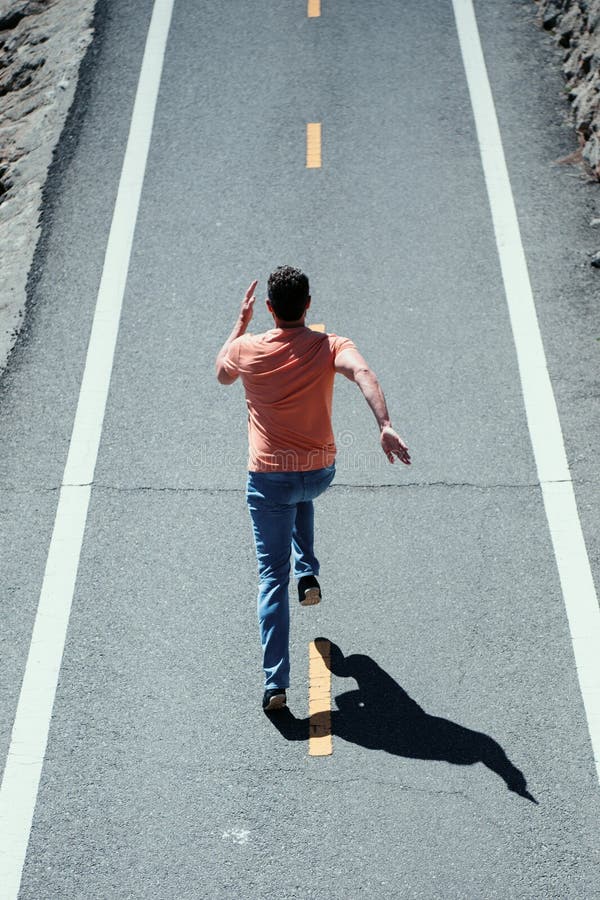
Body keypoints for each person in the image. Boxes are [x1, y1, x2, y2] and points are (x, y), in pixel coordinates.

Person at [215, 266, 411, 712]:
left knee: (270, 577)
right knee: (301, 493)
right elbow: (363, 372)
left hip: (268, 478)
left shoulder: (246, 349)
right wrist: (384, 425)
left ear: (269, 308)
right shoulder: (330, 346)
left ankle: (275, 685)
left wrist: (240, 323)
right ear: (308, 305)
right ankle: (308, 572)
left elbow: (222, 373)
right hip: (319, 472)